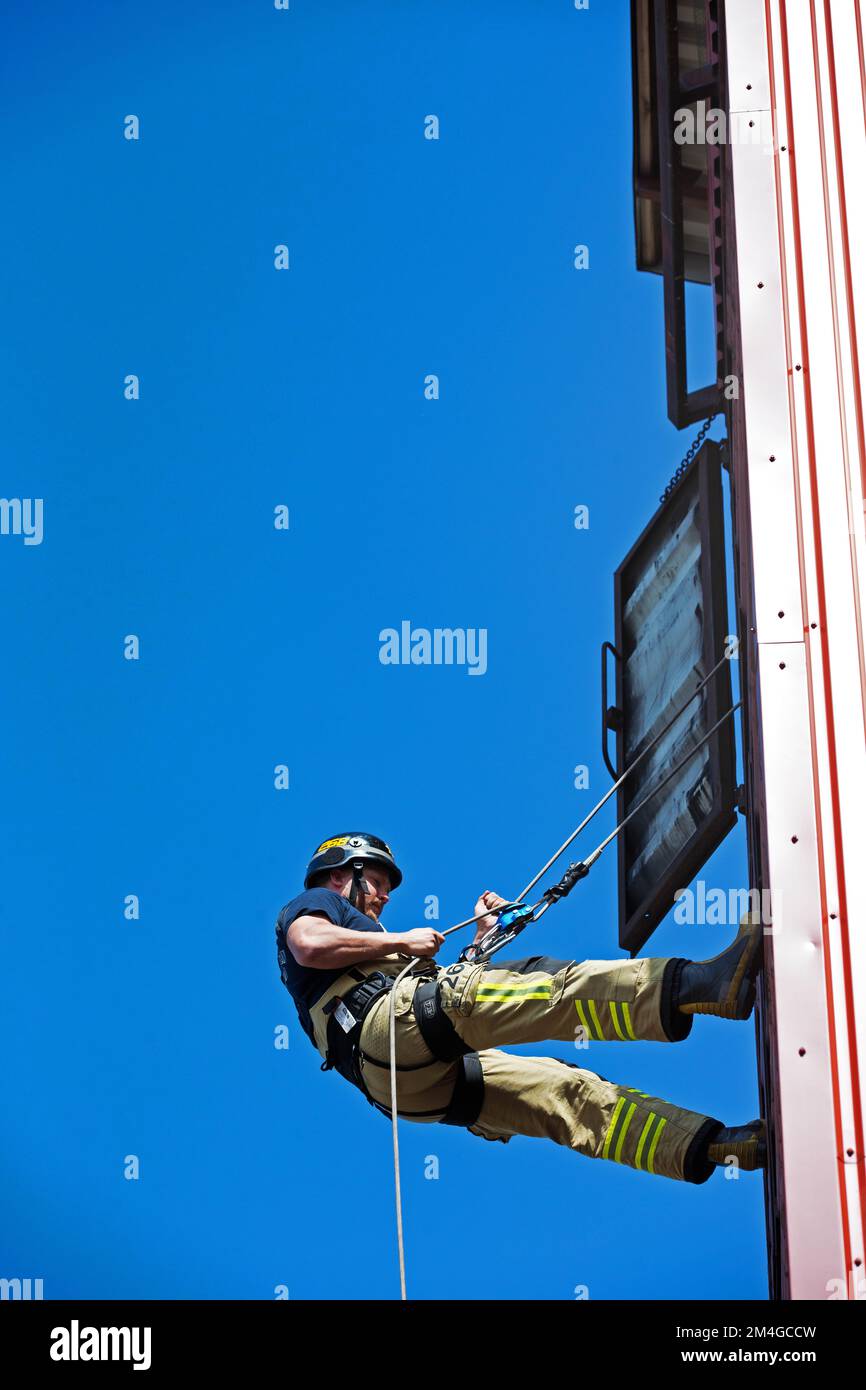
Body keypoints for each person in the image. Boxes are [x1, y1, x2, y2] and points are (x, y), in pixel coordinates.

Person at [275, 832, 767, 1183]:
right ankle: (702, 984)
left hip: (414, 1083)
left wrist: (480, 942)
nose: (383, 895)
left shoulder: (372, 943)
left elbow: (447, 999)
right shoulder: (319, 903)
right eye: (376, 881)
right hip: (389, 1033)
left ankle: (715, 1146)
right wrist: (405, 939)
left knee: (567, 1093)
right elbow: (308, 945)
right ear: (341, 875)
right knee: (545, 986)